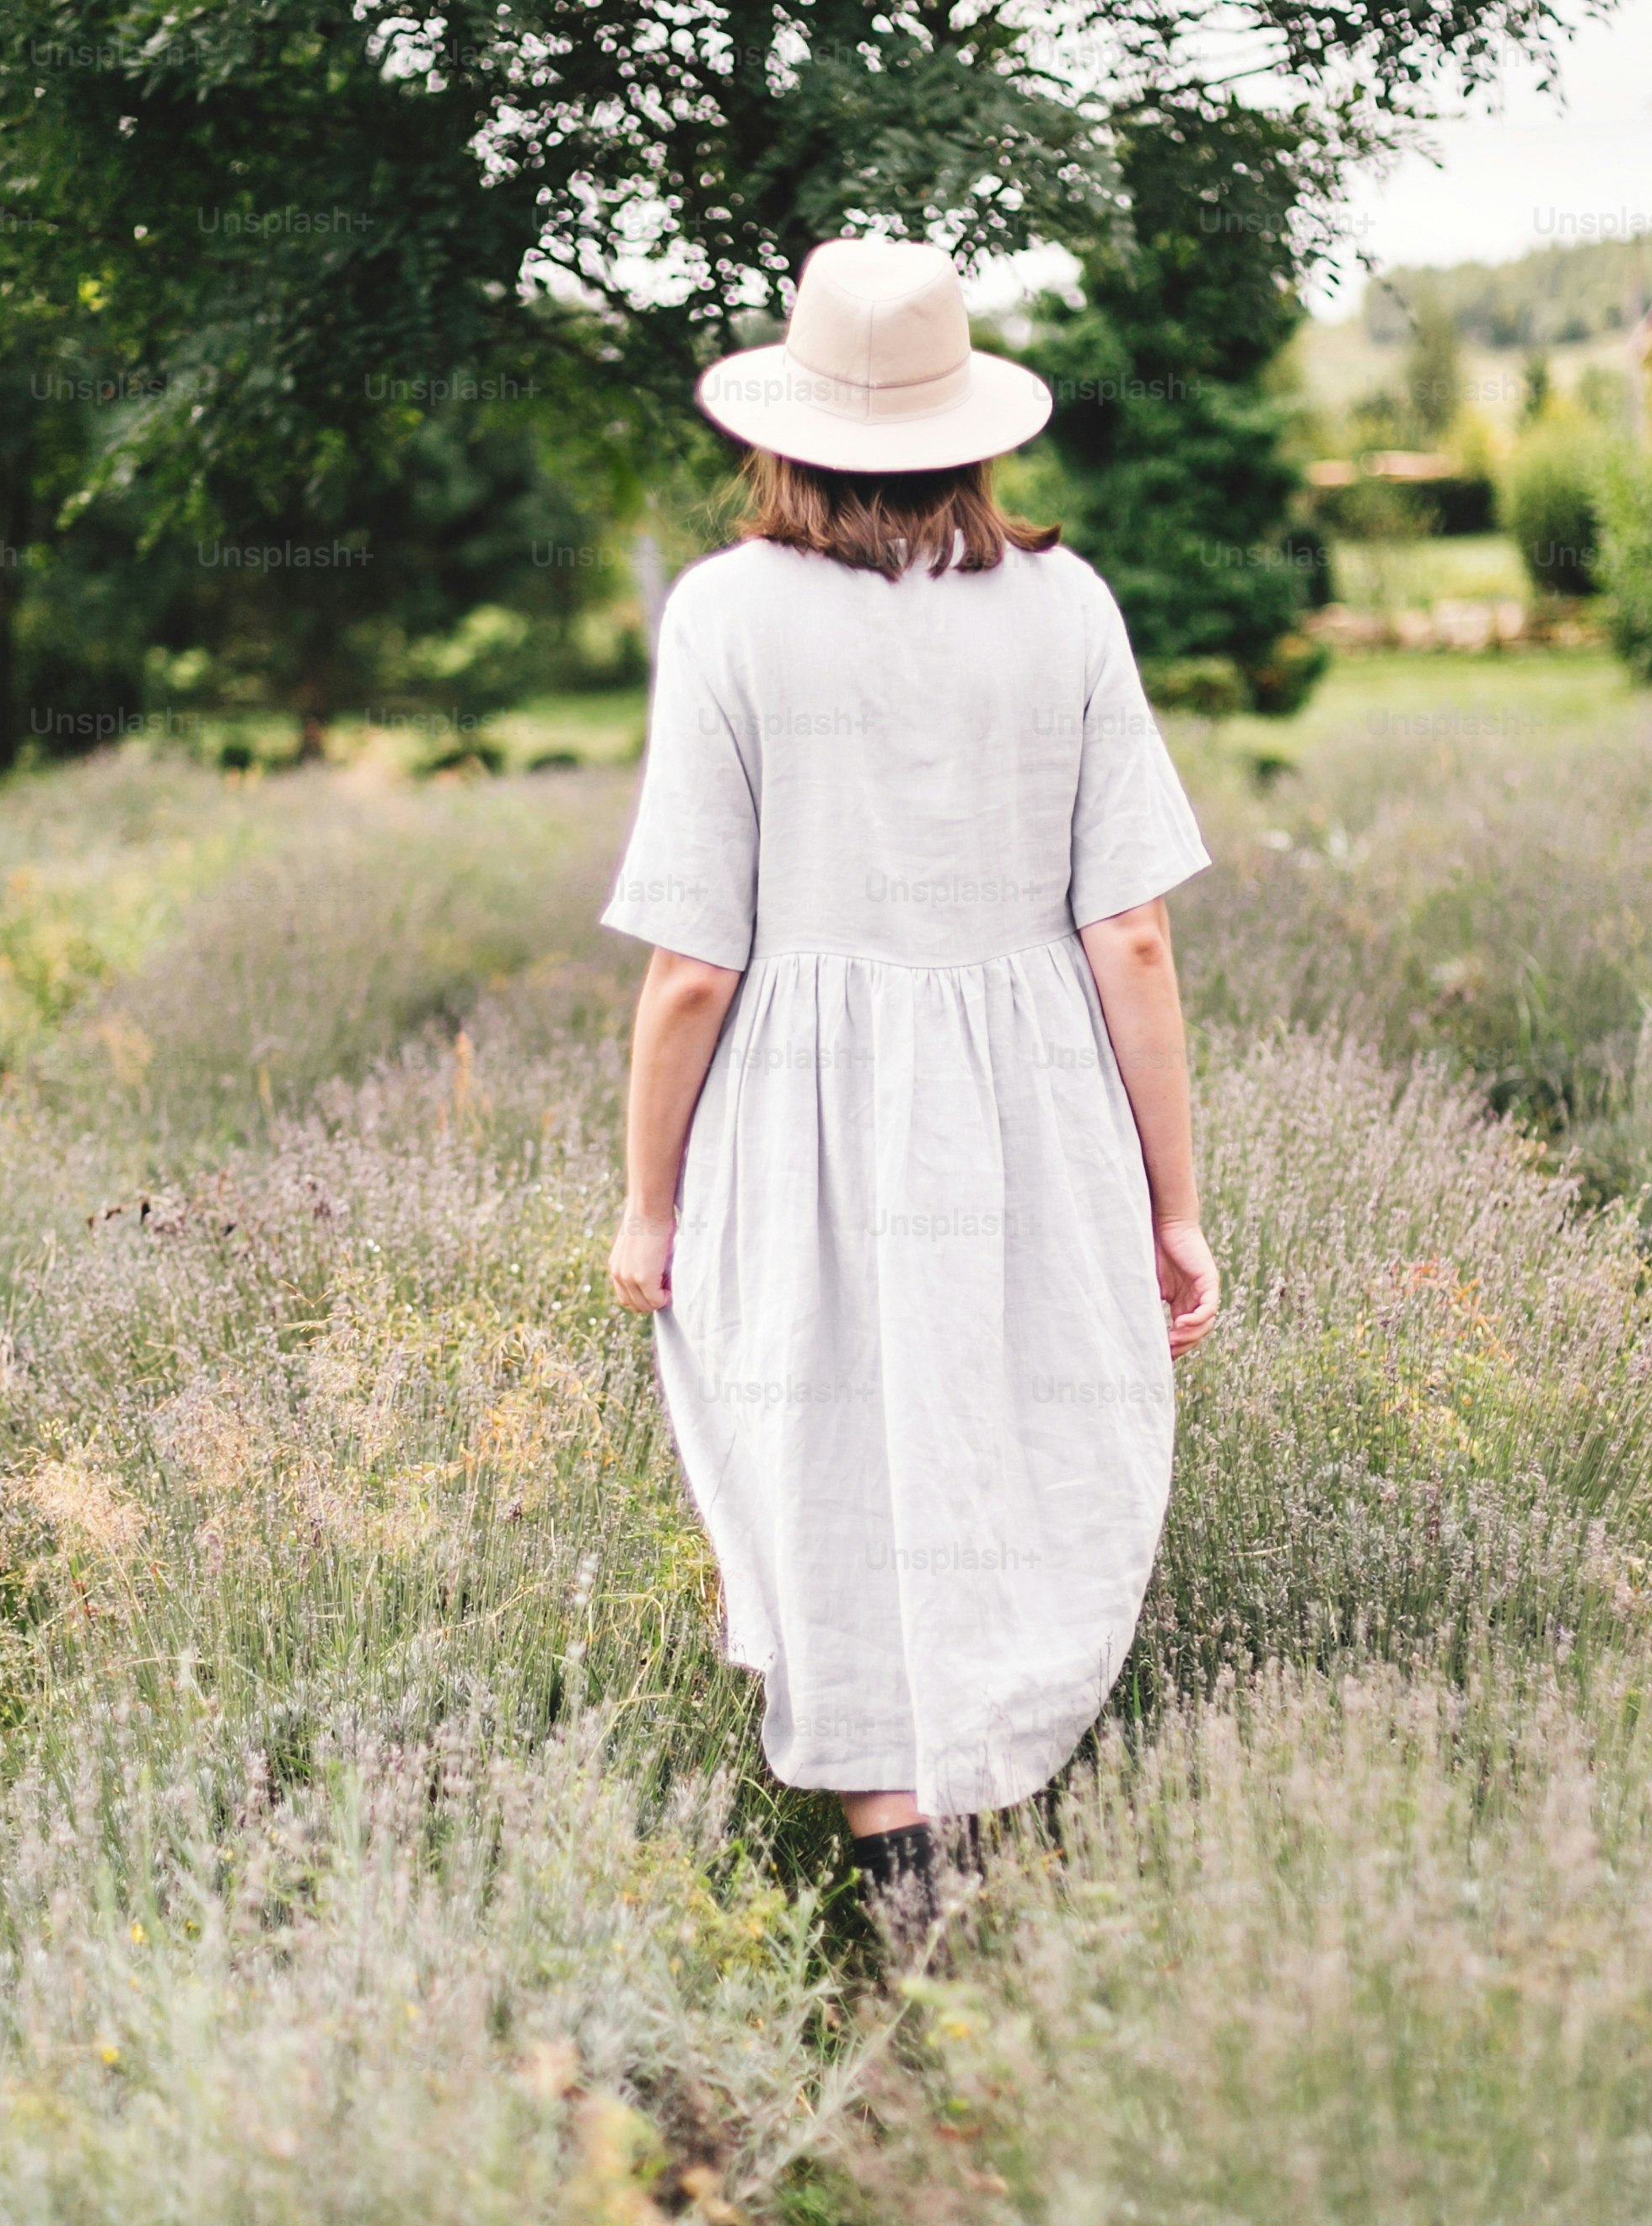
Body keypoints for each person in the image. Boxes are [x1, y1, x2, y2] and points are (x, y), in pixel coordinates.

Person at [599, 236, 1222, 1938]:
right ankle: (983, 1855)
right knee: (1016, 1446)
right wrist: (1170, 1207)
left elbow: (692, 969)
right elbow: (1137, 940)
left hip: (796, 1115)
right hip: (1032, 1106)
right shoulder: (1067, 604)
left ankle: (910, 1897)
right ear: (970, 429)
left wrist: (651, 1204)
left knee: (823, 1463)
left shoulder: (723, 613)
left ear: (787, 428)